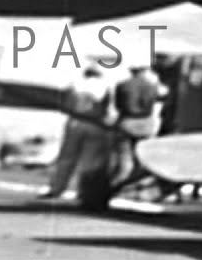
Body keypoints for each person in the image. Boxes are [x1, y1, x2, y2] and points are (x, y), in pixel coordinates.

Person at [40, 65, 113, 199]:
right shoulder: (105, 87)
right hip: (95, 124)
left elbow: (65, 104)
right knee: (89, 160)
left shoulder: (75, 84)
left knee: (67, 157)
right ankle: (83, 191)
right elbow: (107, 108)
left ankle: (57, 188)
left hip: (75, 121)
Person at [112, 62, 161, 178]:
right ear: (144, 71)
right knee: (143, 157)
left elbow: (117, 105)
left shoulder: (122, 85)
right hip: (146, 123)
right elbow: (153, 102)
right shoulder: (151, 86)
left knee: (124, 157)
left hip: (127, 122)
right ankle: (138, 181)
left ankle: (121, 181)